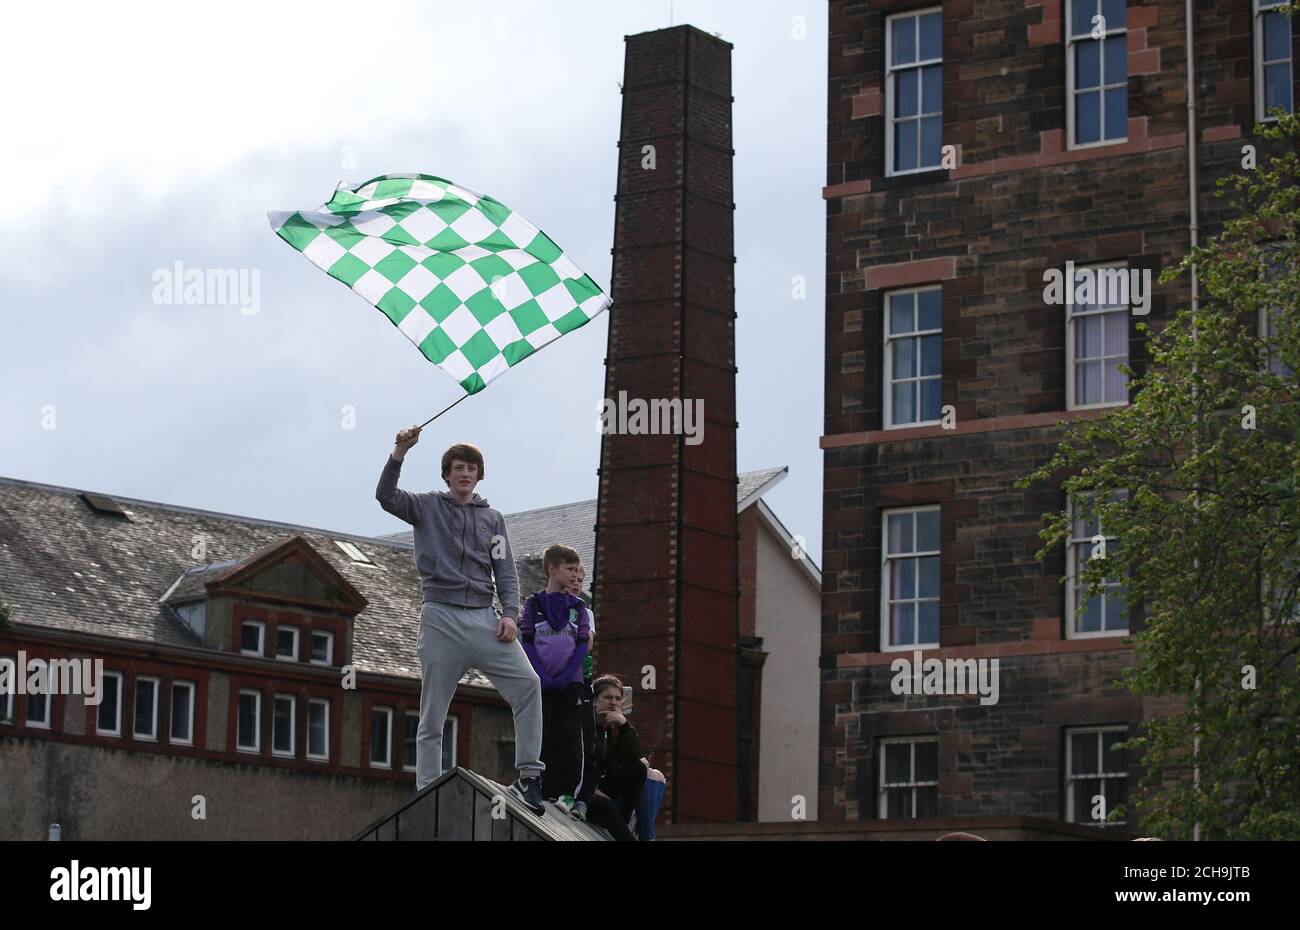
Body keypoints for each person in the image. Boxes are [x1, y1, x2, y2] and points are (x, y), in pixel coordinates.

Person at [375, 425, 546, 814]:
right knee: (434, 709)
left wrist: (510, 614)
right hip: (441, 618)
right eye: (457, 468)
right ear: (447, 474)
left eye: (470, 468)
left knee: (529, 685)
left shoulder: (493, 519)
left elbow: (505, 570)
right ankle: (428, 791)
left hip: (485, 620)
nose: (464, 473)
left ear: (478, 475)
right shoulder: (426, 506)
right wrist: (399, 453)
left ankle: (530, 776)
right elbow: (385, 497)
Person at [518, 544, 591, 815]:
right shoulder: (533, 603)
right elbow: (526, 642)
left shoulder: (579, 607)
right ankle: (540, 786)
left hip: (570, 684)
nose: (575, 576)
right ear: (552, 569)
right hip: (542, 684)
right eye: (570, 570)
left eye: (576, 571)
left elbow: (582, 645)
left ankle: (566, 791)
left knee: (570, 737)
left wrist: (566, 676)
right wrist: (541, 675)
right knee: (543, 733)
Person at [586, 675, 646, 841]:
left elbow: (636, 756)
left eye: (618, 698)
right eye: (607, 697)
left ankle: (623, 822)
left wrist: (624, 725)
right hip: (580, 789)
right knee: (606, 806)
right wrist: (591, 789)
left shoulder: (613, 728)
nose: (613, 702)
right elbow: (579, 761)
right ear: (595, 700)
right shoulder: (585, 723)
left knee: (638, 768)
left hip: (599, 785)